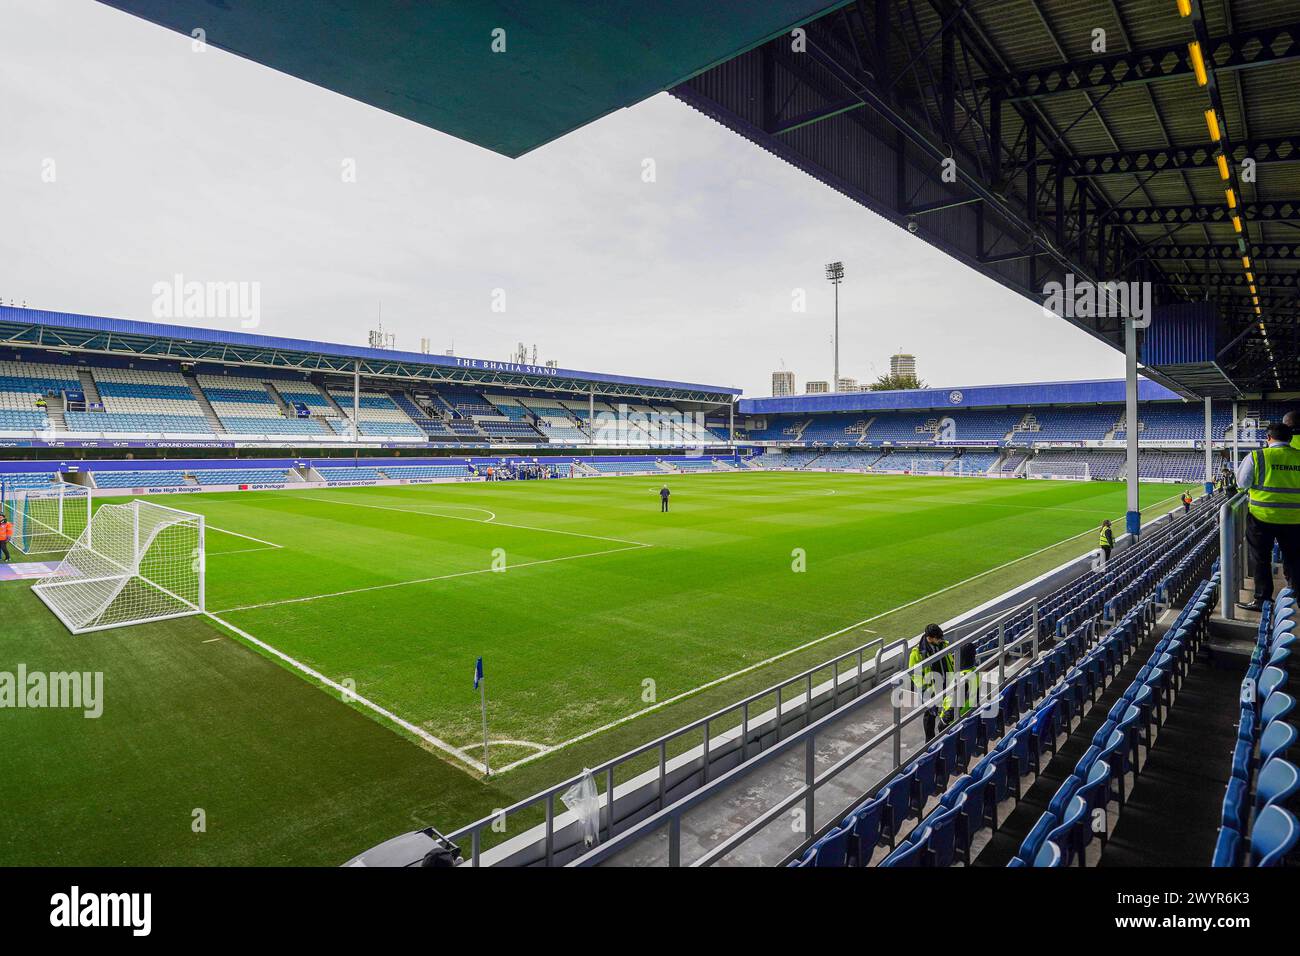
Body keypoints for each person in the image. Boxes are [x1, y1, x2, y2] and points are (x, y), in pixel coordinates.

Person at [1235, 420, 1300, 611]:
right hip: (1295, 519)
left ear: (1268, 438)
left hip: (1262, 518)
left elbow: (1242, 483)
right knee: (1295, 558)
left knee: (1261, 558)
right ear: (1290, 439)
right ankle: (1297, 594)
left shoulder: (1257, 456)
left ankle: (1263, 599)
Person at [908, 624, 954, 741]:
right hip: (930, 688)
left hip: (946, 682)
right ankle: (930, 741)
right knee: (930, 714)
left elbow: (950, 661)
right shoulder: (917, 653)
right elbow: (914, 674)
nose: (940, 640)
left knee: (947, 709)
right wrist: (925, 689)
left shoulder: (943, 644)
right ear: (930, 638)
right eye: (937, 638)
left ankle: (945, 737)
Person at [937, 642, 978, 733]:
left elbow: (957, 703)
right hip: (966, 715)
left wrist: (944, 721)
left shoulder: (963, 677)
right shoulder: (975, 671)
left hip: (954, 721)